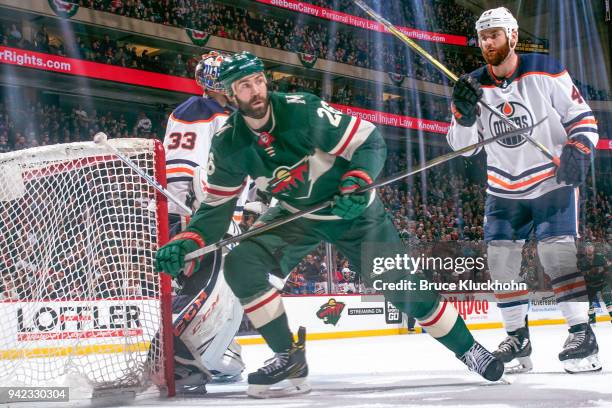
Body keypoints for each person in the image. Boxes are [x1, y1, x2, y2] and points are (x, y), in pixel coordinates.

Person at [156, 51, 503, 398]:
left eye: (259, 80)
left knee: (405, 290)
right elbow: (215, 209)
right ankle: (288, 356)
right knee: (241, 264)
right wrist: (187, 241)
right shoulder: (228, 142)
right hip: (296, 216)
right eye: (245, 85)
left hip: (356, 215)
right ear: (230, 95)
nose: (257, 90)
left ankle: (469, 349)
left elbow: (369, 140)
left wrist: (358, 179)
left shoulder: (300, 109)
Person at [446, 7, 600, 374]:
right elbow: (463, 147)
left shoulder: (545, 69)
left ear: (512, 37)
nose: (487, 43)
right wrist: (463, 116)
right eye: (483, 37)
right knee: (501, 266)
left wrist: (579, 148)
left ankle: (582, 335)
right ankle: (518, 340)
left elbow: (584, 120)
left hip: (551, 181)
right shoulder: (471, 85)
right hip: (503, 190)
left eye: (494, 35)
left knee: (556, 257)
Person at [160, 51, 247, 392]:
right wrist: (194, 217)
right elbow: (184, 169)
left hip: (214, 213)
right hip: (197, 214)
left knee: (224, 289)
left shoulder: (223, 114)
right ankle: (174, 357)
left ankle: (216, 352)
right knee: (204, 288)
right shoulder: (201, 112)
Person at [577, 242, 612, 325]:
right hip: (590, 284)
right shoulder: (581, 261)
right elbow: (580, 274)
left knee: (607, 298)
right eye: (587, 247)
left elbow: (607, 268)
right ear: (585, 250)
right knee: (588, 301)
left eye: (591, 247)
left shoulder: (600, 257)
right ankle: (592, 318)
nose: (589, 248)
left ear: (593, 248)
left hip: (602, 282)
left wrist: (600, 269)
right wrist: (588, 272)